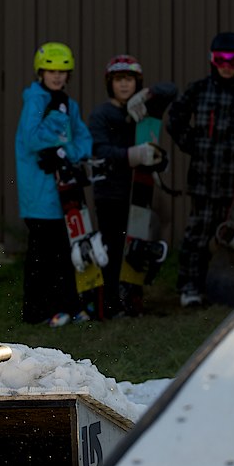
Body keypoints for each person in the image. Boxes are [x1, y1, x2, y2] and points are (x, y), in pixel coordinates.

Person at [166, 31, 234, 307]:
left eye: (233, 60)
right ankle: (190, 287)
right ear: (212, 60)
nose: (226, 66)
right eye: (220, 59)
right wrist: (194, 144)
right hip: (205, 178)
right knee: (198, 235)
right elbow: (175, 119)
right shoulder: (200, 89)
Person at [88, 55, 176, 318]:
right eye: (118, 80)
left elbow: (172, 90)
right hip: (110, 191)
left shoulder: (144, 112)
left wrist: (148, 95)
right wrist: (133, 155)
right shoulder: (101, 114)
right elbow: (100, 150)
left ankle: (132, 300)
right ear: (110, 83)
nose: (124, 85)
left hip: (139, 192)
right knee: (113, 248)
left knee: (136, 248)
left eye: (129, 79)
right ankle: (110, 303)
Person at [15, 41, 95, 326]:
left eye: (62, 71)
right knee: (42, 255)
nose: (57, 76)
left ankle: (66, 305)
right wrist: (58, 133)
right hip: (39, 194)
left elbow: (84, 140)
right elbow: (31, 139)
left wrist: (64, 152)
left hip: (63, 191)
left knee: (64, 252)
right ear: (41, 72)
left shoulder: (68, 104)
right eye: (51, 71)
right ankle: (37, 312)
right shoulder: (36, 101)